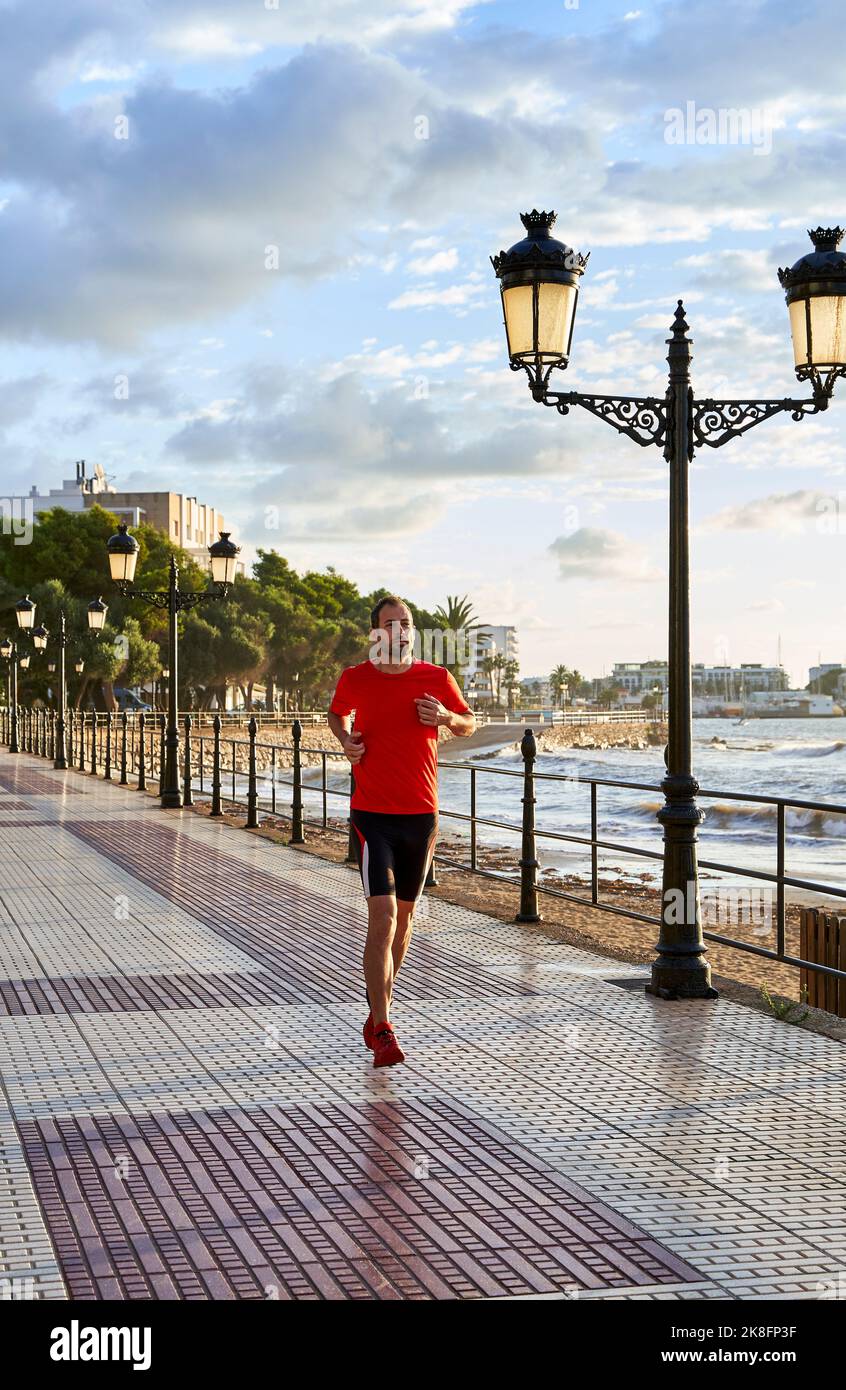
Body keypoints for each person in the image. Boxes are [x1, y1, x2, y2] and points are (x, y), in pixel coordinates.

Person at [328, 596, 476, 1067]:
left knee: (405, 923)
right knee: (384, 916)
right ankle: (386, 1027)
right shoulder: (357, 678)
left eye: (406, 623)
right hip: (373, 814)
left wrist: (447, 718)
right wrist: (345, 739)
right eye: (389, 624)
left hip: (422, 817)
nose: (399, 630)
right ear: (374, 633)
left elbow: (469, 723)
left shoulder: (435, 679)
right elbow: (336, 713)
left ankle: (377, 1018)